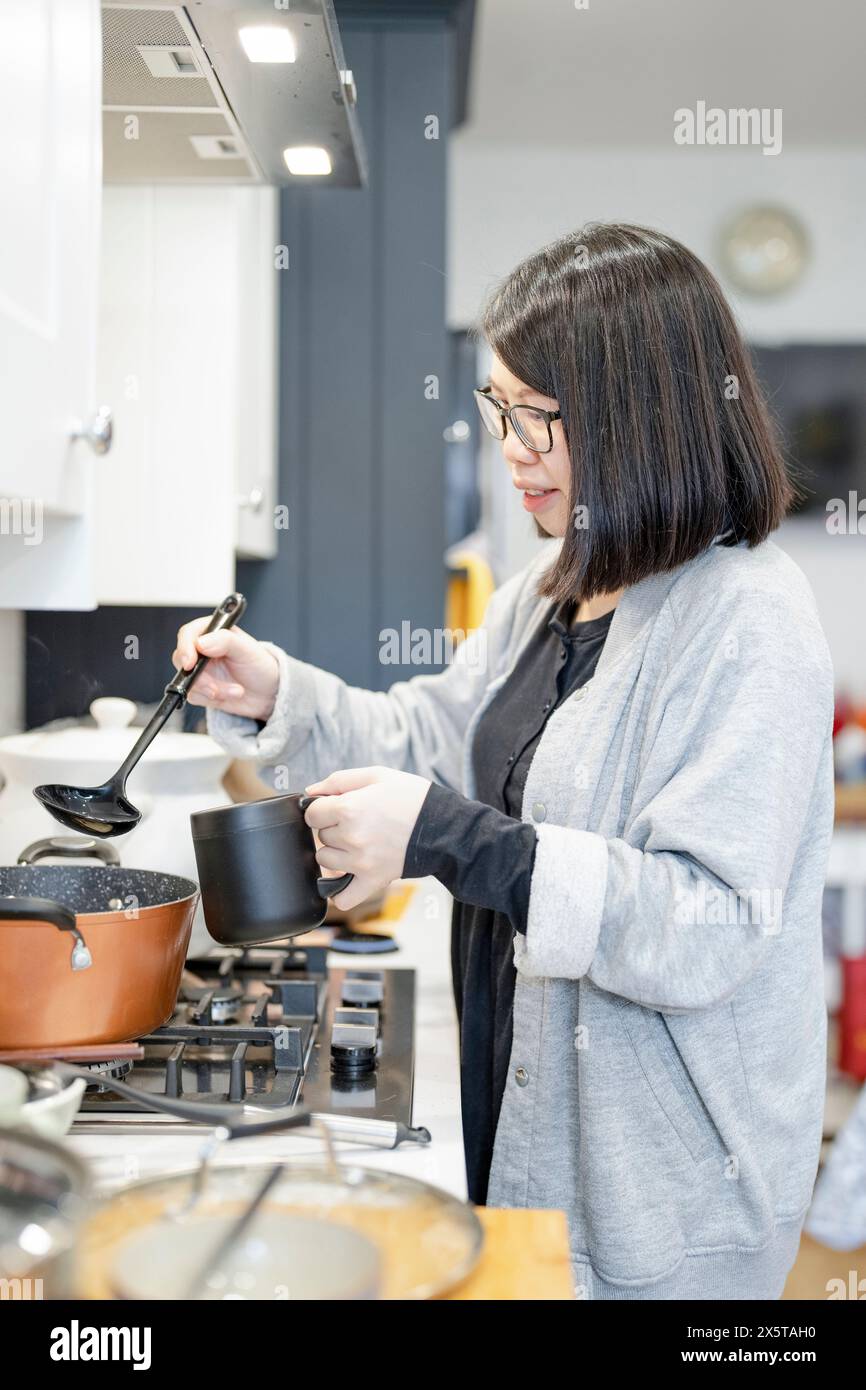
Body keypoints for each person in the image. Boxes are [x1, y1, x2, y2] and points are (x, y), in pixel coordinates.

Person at [174, 223, 834, 1300]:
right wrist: (276, 692)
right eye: (498, 413)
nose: (510, 449)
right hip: (522, 1114)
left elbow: (705, 920)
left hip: (659, 1200)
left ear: (636, 418)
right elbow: (427, 739)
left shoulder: (746, 619)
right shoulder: (554, 589)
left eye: (537, 418)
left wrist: (449, 838)